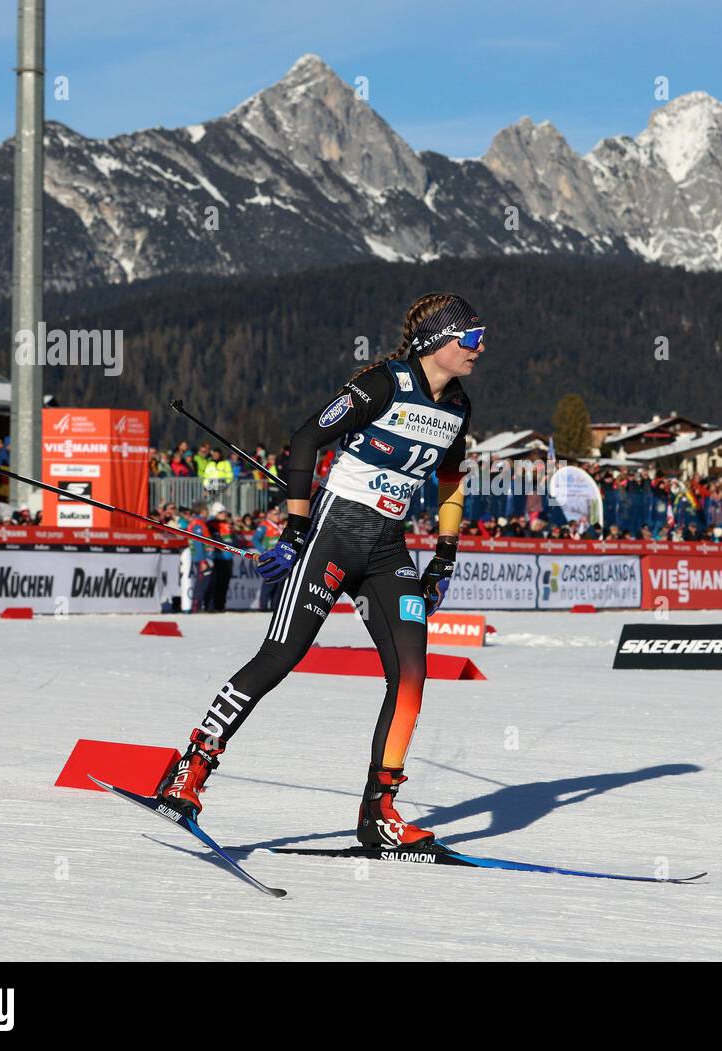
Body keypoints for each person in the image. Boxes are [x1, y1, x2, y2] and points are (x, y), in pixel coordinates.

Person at [156, 293, 481, 850]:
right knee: (282, 656)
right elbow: (306, 438)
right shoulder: (384, 383)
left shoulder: (458, 407)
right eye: (469, 338)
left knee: (411, 672)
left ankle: (379, 812)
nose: (480, 348)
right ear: (435, 342)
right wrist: (295, 529)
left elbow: (450, 483)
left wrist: (445, 557)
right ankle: (190, 769)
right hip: (332, 534)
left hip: (385, 548)